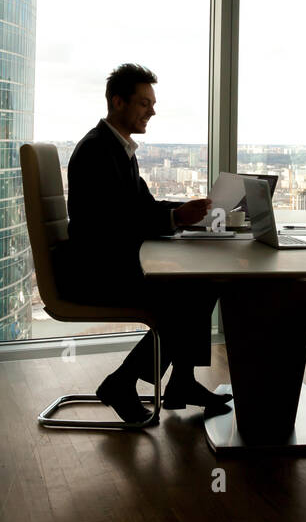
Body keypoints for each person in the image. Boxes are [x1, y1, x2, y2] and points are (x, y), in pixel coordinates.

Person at [60, 63, 232, 423]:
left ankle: (181, 382)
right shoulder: (97, 152)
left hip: (109, 263)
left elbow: (141, 208)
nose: (152, 110)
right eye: (144, 103)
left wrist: (188, 212)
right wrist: (176, 218)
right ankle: (124, 382)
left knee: (199, 283)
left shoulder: (117, 148)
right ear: (117, 102)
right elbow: (117, 222)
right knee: (190, 293)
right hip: (97, 273)